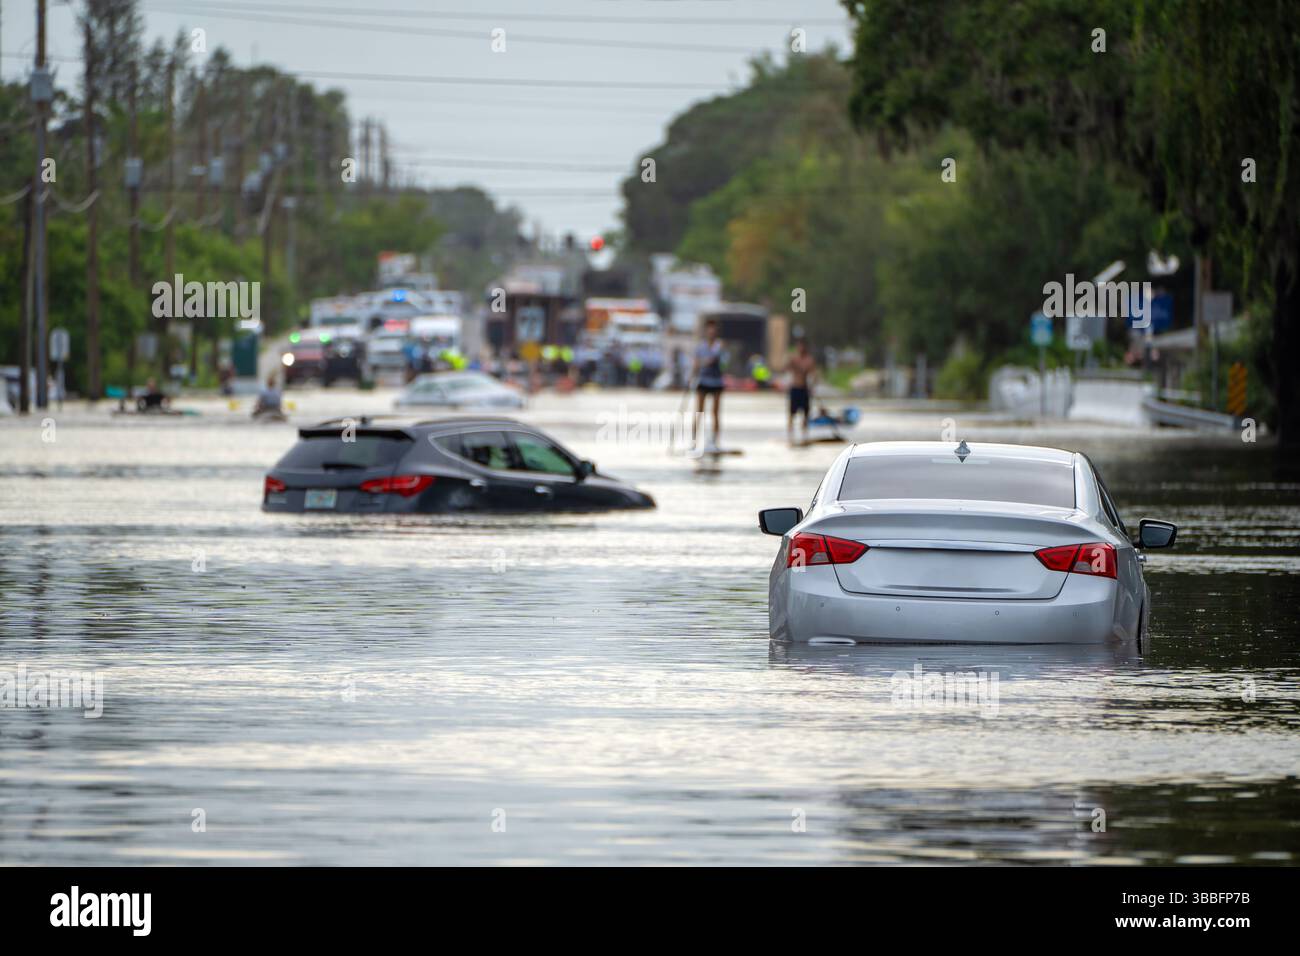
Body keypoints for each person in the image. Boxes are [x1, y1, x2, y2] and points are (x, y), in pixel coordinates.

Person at [691, 319, 725, 451]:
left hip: (716, 381)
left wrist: (704, 362)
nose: (711, 331)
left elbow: (716, 360)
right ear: (706, 331)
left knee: (715, 412)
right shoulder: (700, 346)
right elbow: (696, 363)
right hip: (703, 381)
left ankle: (715, 442)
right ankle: (694, 442)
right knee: (699, 411)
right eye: (709, 329)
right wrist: (693, 373)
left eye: (713, 329)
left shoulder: (719, 345)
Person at [786, 339, 817, 444]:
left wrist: (813, 387)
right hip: (795, 388)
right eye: (799, 346)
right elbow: (785, 368)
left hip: (804, 389)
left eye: (802, 346)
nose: (800, 348)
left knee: (805, 414)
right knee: (791, 414)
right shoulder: (793, 358)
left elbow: (813, 374)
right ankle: (790, 437)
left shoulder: (809, 360)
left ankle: (805, 437)